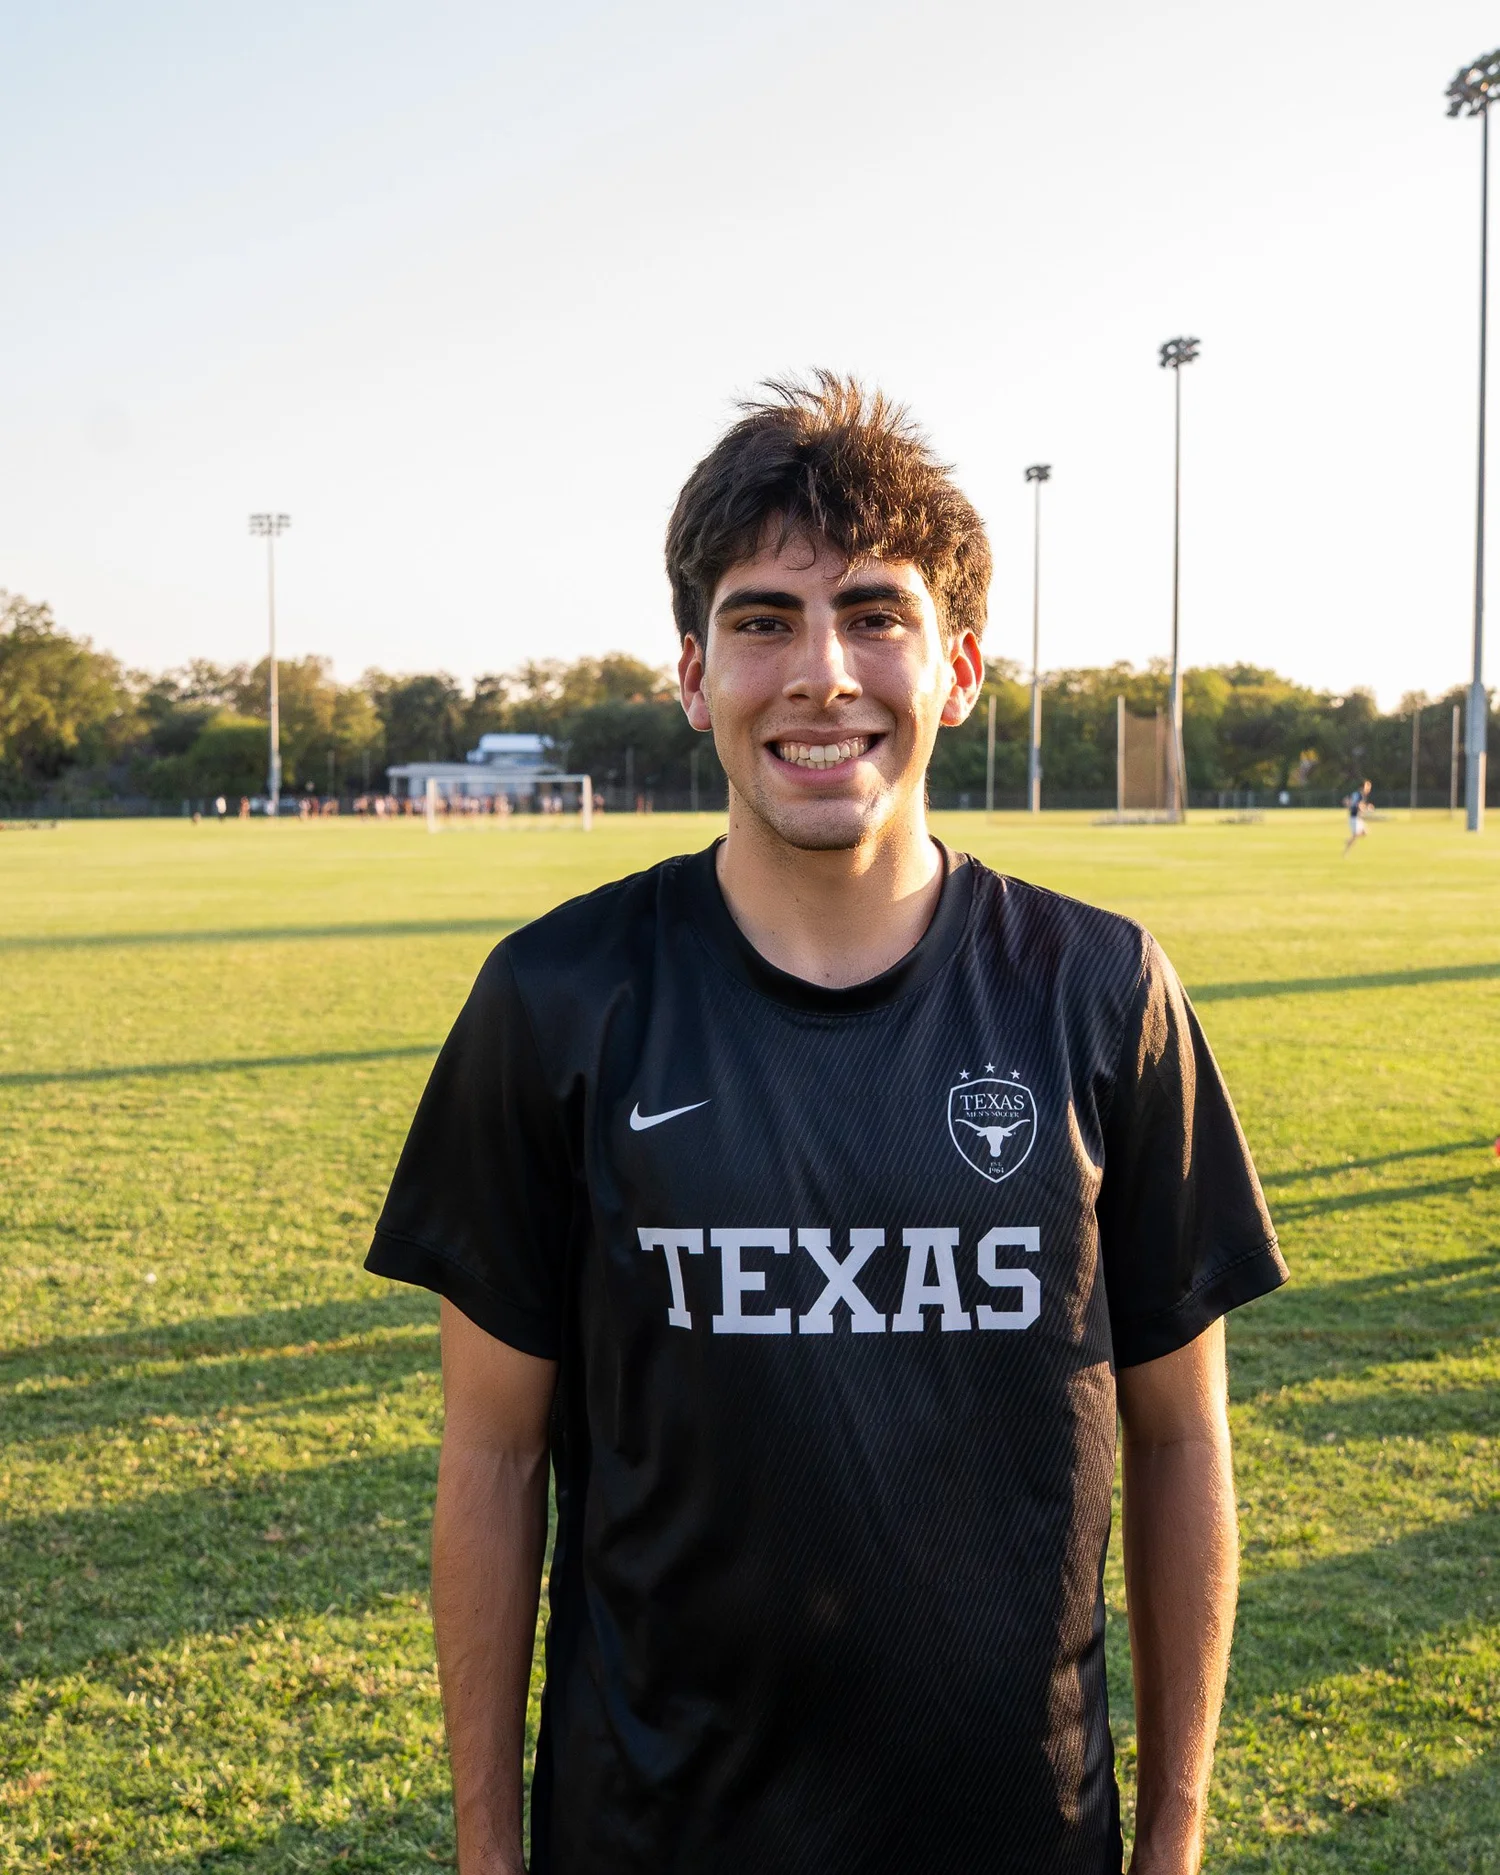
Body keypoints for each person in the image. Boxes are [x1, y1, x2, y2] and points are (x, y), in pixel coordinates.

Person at [366, 374, 1287, 1875]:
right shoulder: (556, 996)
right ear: (691, 670)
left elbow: (1181, 1441)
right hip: (649, 1831)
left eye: (873, 613)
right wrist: (487, 1849)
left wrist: (1174, 1839)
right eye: (762, 620)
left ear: (961, 665)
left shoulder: (1102, 988)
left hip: (1020, 1832)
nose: (821, 672)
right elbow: (487, 1456)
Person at [1343, 778, 1372, 854]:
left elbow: (1348, 801)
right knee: (1355, 836)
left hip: (1359, 818)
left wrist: (1365, 807)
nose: (1369, 789)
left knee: (1365, 832)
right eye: (1368, 787)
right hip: (1354, 818)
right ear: (1363, 787)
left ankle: (1349, 841)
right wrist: (1367, 808)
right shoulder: (1358, 795)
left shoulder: (1360, 795)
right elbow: (1356, 805)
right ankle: (1345, 852)